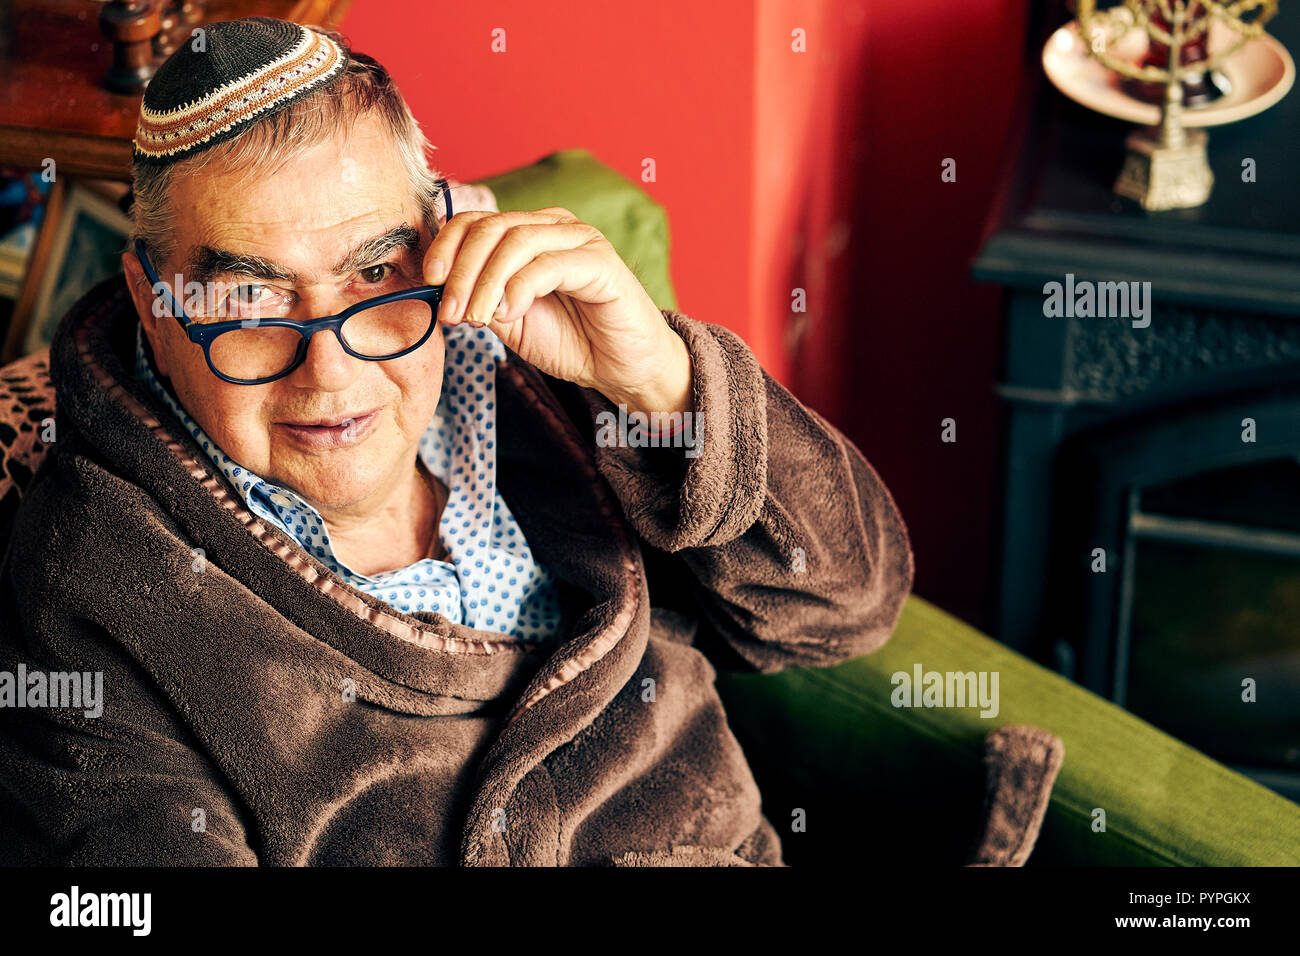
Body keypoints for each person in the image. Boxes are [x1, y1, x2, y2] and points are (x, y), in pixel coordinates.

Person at [0, 16, 913, 866]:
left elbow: (850, 610)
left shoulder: (541, 361)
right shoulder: (91, 586)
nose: (331, 371)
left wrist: (666, 385)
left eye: (374, 271)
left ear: (438, 235)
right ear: (153, 302)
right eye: (251, 298)